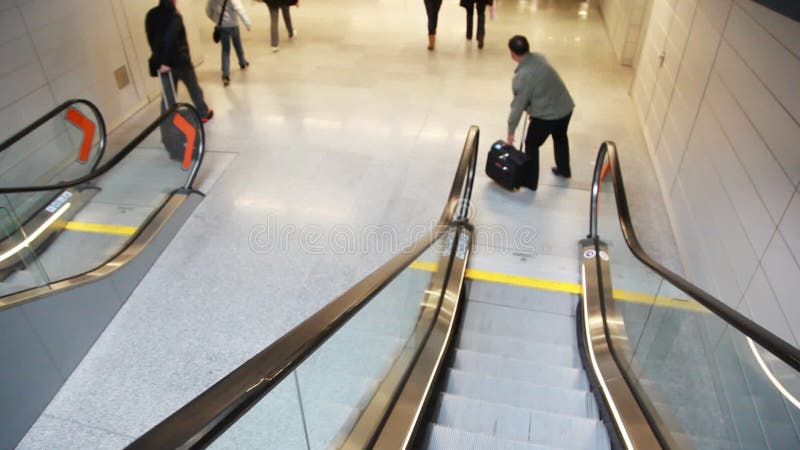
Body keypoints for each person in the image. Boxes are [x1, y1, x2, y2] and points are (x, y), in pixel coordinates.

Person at [506, 35, 574, 191]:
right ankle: (564, 169)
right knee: (560, 137)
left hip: (547, 116)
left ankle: (530, 182)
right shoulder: (539, 57)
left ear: (512, 53)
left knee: (531, 144)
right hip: (565, 107)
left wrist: (511, 131)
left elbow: (518, 105)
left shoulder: (523, 76)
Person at [146, 0, 213, 122]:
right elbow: (170, 38)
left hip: (161, 63)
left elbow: (151, 39)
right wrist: (165, 62)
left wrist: (160, 60)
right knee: (194, 88)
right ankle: (203, 113)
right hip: (180, 61)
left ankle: (168, 121)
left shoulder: (151, 15)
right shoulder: (174, 16)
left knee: (168, 95)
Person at [206, 0, 251, 86]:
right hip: (233, 25)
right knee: (237, 45)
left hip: (222, 26)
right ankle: (242, 62)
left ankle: (225, 74)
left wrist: (215, 19)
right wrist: (247, 23)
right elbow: (239, 9)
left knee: (225, 50)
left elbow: (208, 10)